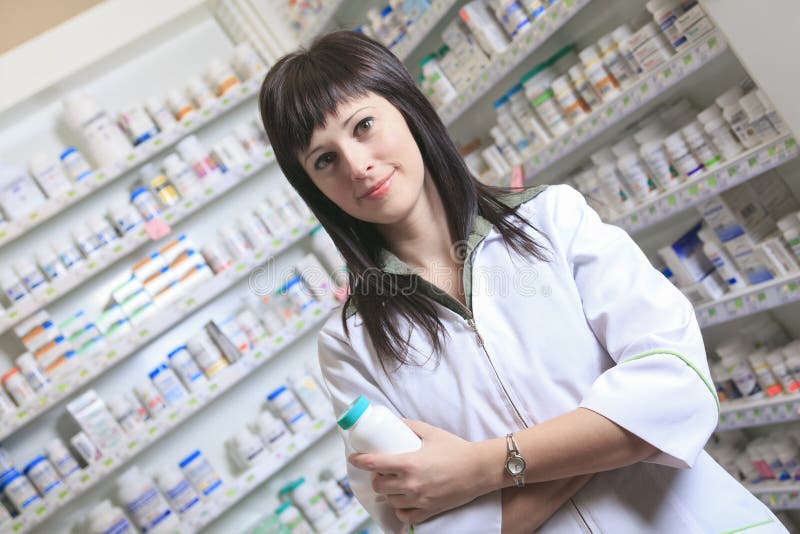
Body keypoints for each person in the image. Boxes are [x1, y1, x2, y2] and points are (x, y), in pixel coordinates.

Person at [258, 31, 785, 534]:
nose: (357, 164)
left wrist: (481, 469)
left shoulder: (553, 220)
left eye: (363, 126)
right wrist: (609, 432)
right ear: (314, 187)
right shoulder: (350, 345)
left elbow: (681, 388)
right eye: (324, 160)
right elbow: (425, 523)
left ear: (407, 108)